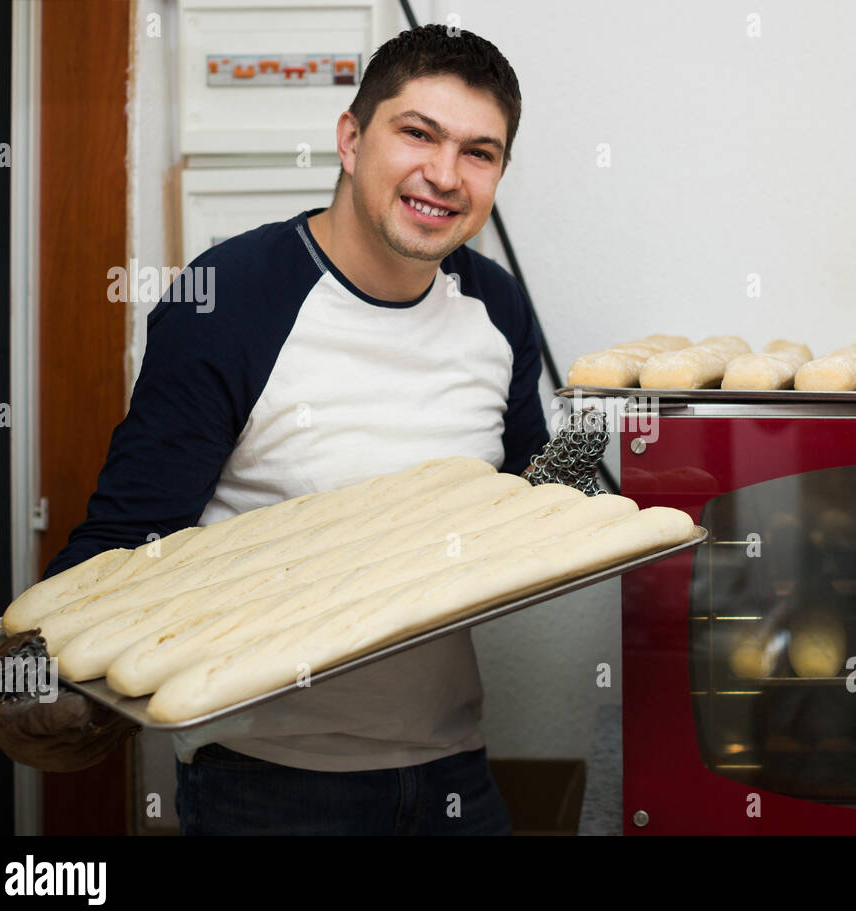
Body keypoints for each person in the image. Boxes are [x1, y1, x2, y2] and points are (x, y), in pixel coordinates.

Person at [41, 24, 548, 835]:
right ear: (350, 139)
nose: (444, 174)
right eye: (417, 132)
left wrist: (622, 460)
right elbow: (130, 533)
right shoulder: (231, 297)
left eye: (479, 152)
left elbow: (535, 496)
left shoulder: (496, 306)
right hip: (266, 780)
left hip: (452, 763)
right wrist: (46, 654)